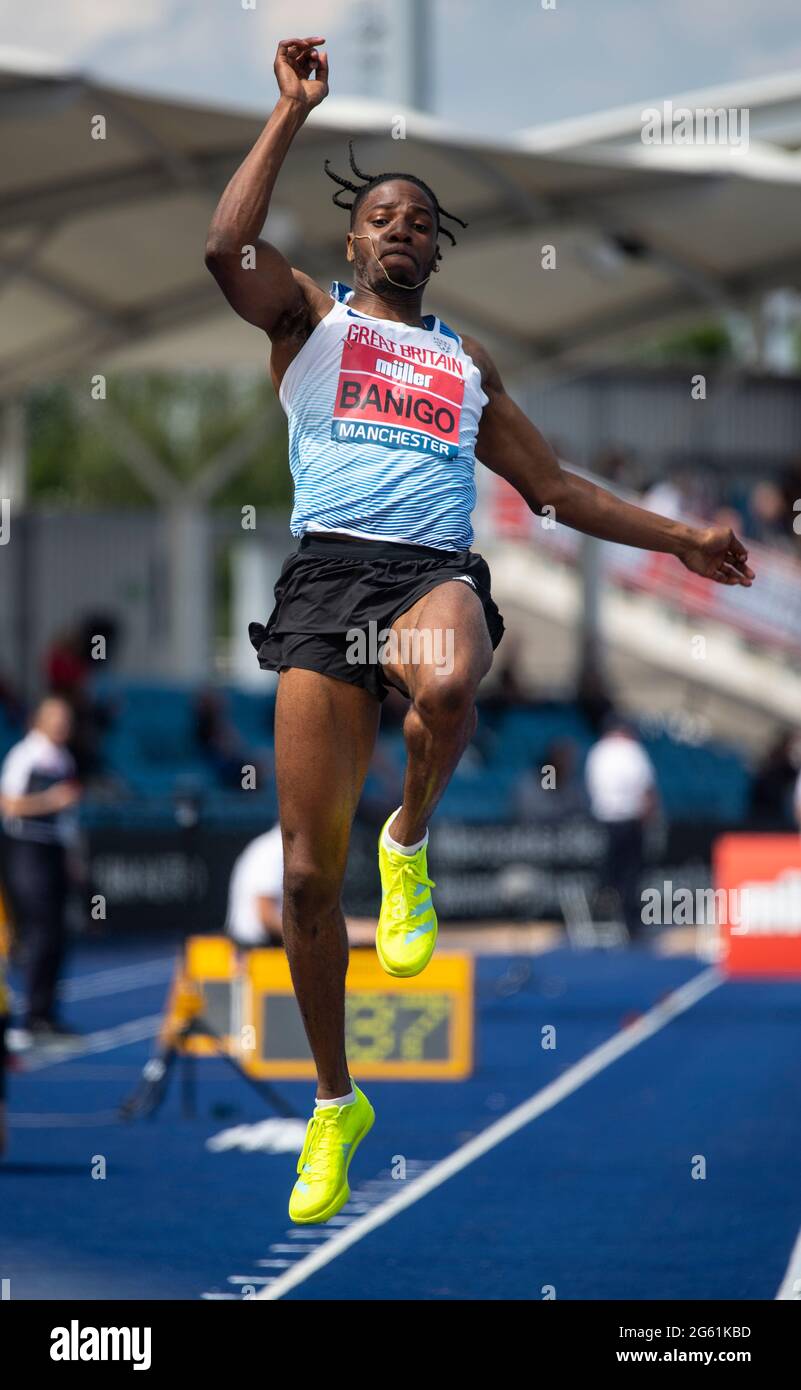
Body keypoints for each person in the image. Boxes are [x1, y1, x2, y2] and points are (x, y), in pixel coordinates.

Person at [204, 36, 755, 1225]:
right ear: (355, 241)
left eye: (419, 218)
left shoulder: (464, 360)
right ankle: (335, 1100)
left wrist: (685, 540)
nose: (400, 226)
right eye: (383, 214)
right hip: (323, 587)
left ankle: (407, 841)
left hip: (429, 576)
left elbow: (557, 491)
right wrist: (291, 112)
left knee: (446, 686)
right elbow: (223, 248)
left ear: (434, 247)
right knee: (304, 879)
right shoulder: (308, 317)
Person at [0, 696, 81, 1041]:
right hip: (26, 849)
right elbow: (9, 804)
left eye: (67, 718)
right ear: (40, 720)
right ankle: (31, 1014)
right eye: (56, 718)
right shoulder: (25, 755)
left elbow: (67, 819)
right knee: (39, 931)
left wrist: (72, 856)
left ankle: (47, 1013)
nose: (63, 725)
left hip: (53, 849)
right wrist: (50, 801)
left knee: (58, 933)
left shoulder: (63, 760)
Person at [584, 716, 658, 942]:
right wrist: (649, 818)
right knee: (630, 875)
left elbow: (591, 786)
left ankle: (596, 919)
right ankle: (629, 925)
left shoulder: (597, 751)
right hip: (629, 820)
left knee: (608, 871)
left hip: (604, 820)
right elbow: (646, 789)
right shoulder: (632, 750)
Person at [225, 824, 284, 948]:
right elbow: (266, 915)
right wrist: (309, 940)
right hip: (256, 953)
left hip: (257, 948)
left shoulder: (272, 845)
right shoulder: (275, 850)